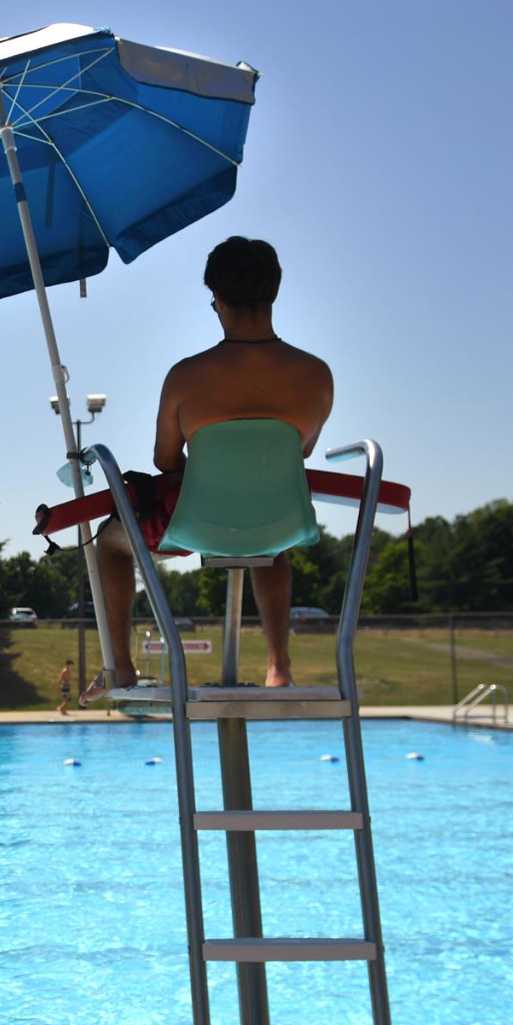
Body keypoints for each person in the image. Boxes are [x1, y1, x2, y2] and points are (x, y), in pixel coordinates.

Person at [84, 237, 334, 697]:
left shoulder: (187, 376)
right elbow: (299, 453)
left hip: (196, 526)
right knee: (272, 534)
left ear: (216, 299)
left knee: (109, 542)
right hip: (276, 523)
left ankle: (120, 667)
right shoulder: (316, 375)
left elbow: (163, 460)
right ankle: (279, 666)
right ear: (274, 292)